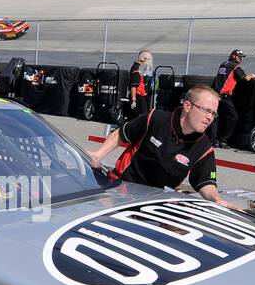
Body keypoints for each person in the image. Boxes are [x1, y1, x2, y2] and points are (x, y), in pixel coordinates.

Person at [86, 84, 232, 207]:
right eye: (206, 110)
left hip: (155, 201)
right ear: (187, 106)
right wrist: (98, 155)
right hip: (120, 188)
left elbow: (205, 181)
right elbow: (122, 134)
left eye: (213, 114)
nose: (210, 118)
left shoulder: (204, 147)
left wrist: (216, 199)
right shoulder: (155, 119)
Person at [213, 48, 255, 146]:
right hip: (223, 96)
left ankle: (214, 140)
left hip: (215, 94)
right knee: (233, 117)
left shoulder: (223, 64)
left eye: (241, 57)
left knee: (217, 118)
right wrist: (252, 76)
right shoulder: (234, 66)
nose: (241, 59)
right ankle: (223, 140)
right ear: (234, 56)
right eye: (239, 57)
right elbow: (245, 78)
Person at [128, 48, 154, 116]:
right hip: (138, 97)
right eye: (148, 59)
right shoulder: (137, 69)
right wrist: (133, 100)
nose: (150, 62)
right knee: (142, 116)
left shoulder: (142, 68)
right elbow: (133, 85)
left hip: (143, 96)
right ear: (143, 59)